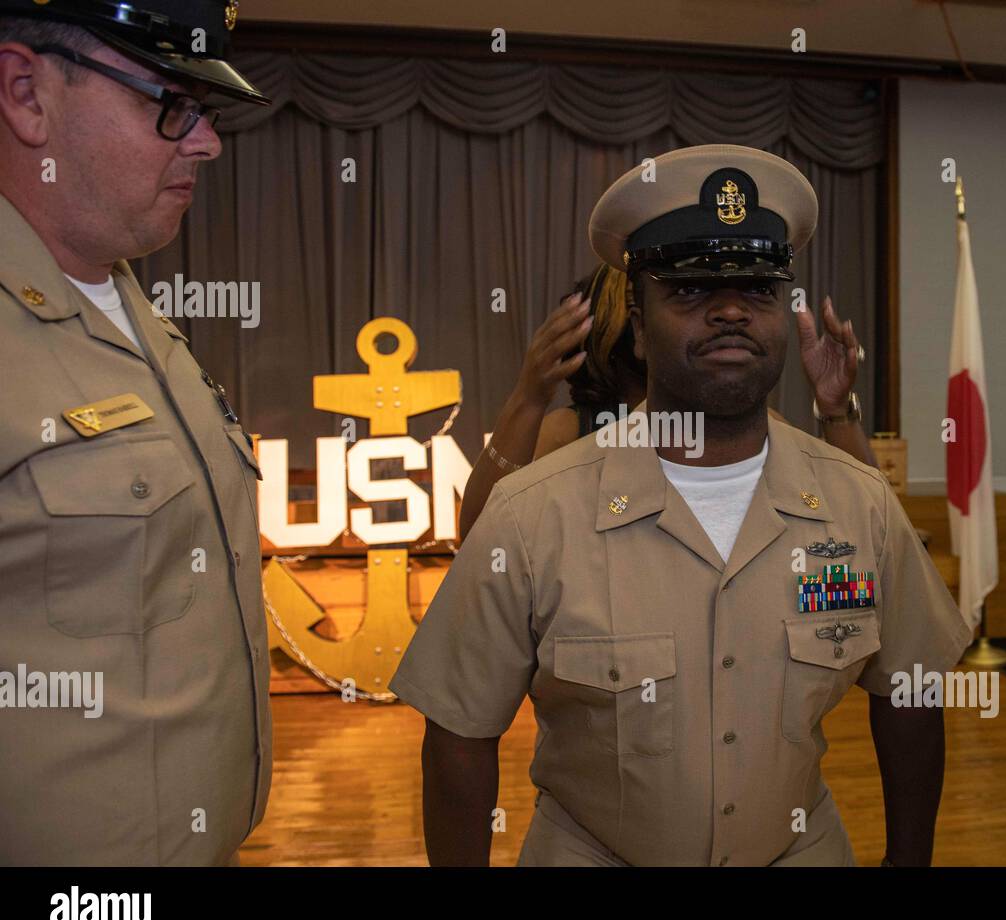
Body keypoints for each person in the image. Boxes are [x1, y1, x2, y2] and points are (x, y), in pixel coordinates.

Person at [393, 143, 971, 866]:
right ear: (639, 324)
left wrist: (909, 861)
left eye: (759, 289)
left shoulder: (859, 505)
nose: (730, 311)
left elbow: (909, 690)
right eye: (691, 290)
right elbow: (459, 733)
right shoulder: (533, 514)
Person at [0, 1, 271, 864]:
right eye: (169, 103)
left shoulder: (134, 311)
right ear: (25, 94)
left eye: (208, 111)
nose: (207, 143)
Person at [458, 261, 877, 540]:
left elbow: (869, 522)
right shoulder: (571, 432)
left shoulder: (750, 426)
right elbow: (479, 536)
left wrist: (837, 409)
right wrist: (529, 396)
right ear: (635, 329)